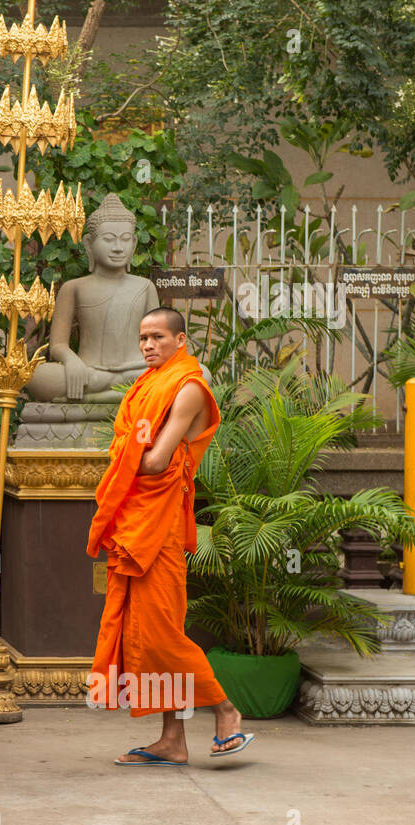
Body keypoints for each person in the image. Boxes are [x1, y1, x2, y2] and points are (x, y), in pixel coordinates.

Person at [86, 306, 253, 766]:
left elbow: (157, 461)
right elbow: (136, 446)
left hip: (158, 526)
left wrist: (122, 455)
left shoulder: (188, 388)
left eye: (157, 337)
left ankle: (226, 710)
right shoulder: (145, 385)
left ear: (181, 340)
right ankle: (172, 740)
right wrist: (129, 452)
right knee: (144, 634)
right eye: (142, 338)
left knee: (161, 635)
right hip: (136, 519)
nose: (147, 346)